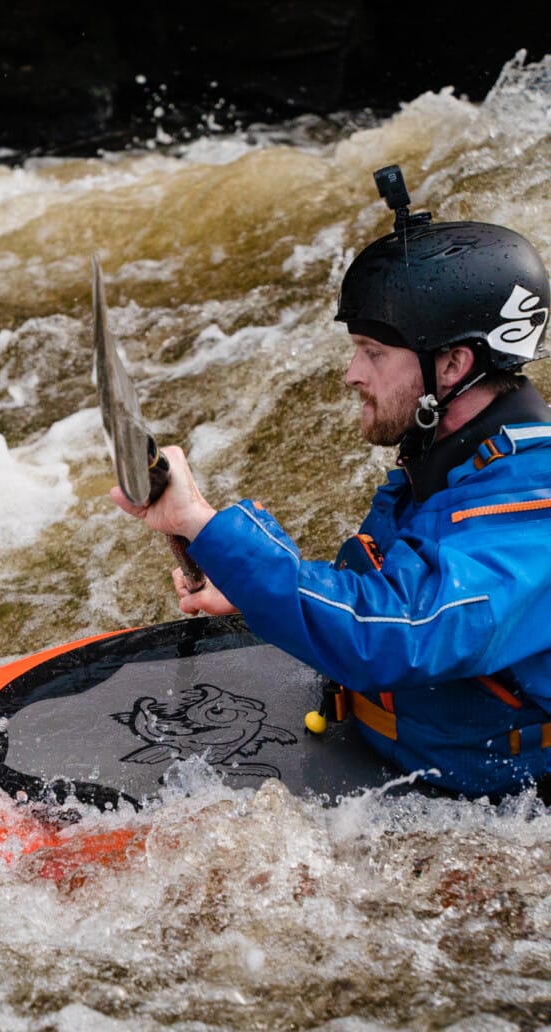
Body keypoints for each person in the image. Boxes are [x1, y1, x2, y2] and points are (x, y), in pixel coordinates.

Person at [111, 165, 551, 799]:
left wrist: (203, 524)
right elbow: (381, 588)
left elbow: (396, 632)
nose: (351, 373)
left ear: (453, 364)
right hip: (417, 760)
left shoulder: (532, 508)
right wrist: (247, 587)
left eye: (373, 351)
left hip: (499, 812)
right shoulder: (449, 464)